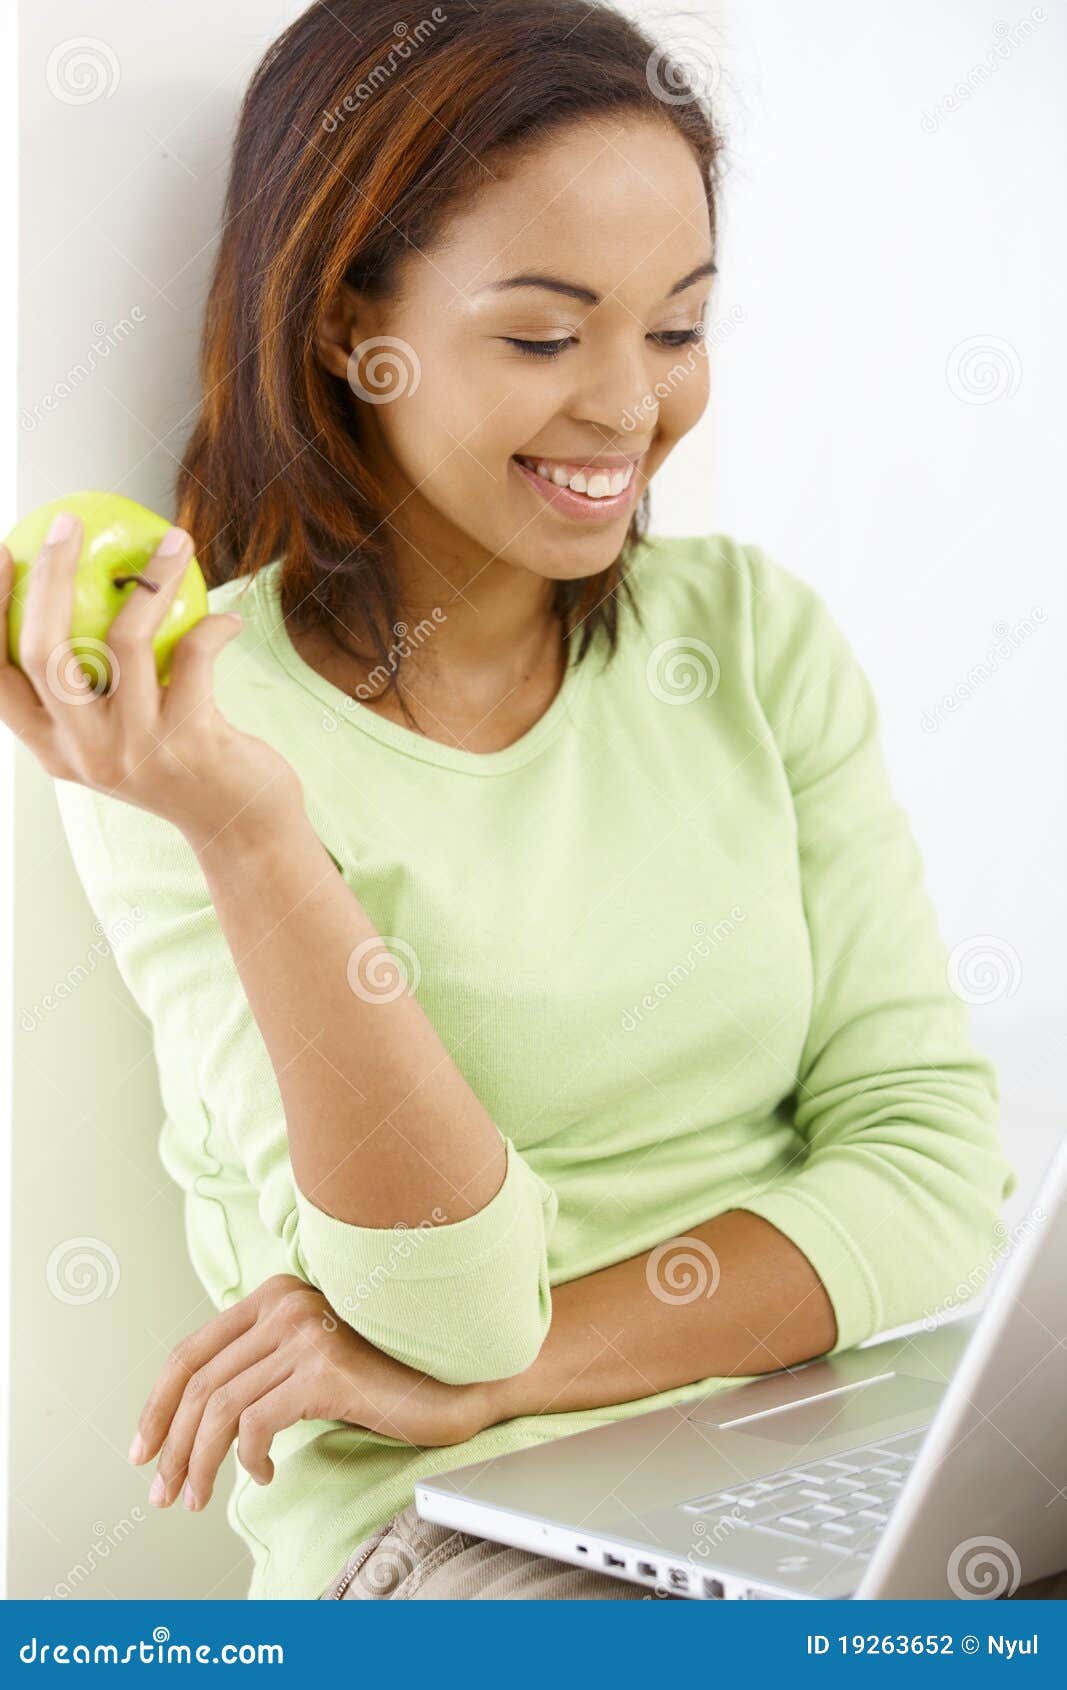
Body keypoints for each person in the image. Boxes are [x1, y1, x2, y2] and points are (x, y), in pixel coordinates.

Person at [0, 0, 1013, 1600]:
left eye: (677, 328)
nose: (630, 407)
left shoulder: (751, 640)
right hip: (449, 1534)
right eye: (545, 335)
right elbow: (441, 1315)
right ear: (349, 323)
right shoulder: (194, 736)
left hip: (804, 1453)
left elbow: (939, 1174)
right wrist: (255, 834)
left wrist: (518, 1371)